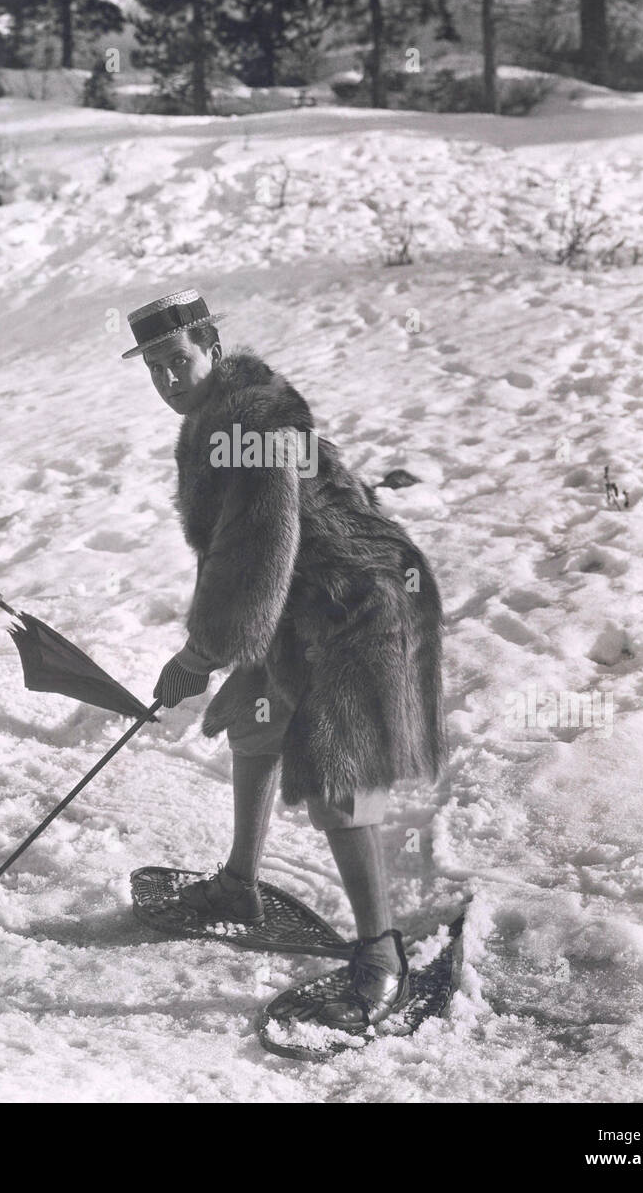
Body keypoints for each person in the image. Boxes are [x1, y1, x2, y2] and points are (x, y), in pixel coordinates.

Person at [123, 288, 445, 1032]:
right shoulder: (222, 419)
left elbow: (253, 558)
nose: (169, 380)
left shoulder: (253, 426)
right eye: (155, 370)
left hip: (357, 607)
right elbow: (242, 556)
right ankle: (239, 885)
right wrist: (229, 657)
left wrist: (202, 655)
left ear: (211, 347)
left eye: (179, 362)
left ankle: (382, 957)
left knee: (338, 775)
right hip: (300, 605)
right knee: (256, 723)